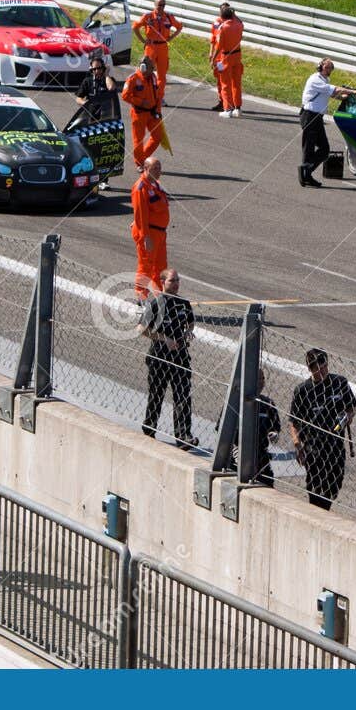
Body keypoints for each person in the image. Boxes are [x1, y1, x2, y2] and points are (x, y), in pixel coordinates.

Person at [288, 349, 356, 511]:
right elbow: (294, 423)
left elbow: (351, 408)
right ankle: (317, 510)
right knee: (315, 486)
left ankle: (323, 508)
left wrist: (346, 417)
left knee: (334, 484)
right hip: (313, 447)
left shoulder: (339, 383)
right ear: (310, 369)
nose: (322, 372)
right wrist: (298, 446)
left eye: (324, 367)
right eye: (316, 369)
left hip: (335, 445)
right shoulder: (303, 391)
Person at [139, 268, 195, 450]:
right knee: (157, 394)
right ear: (163, 282)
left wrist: (188, 332)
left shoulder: (184, 303)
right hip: (159, 356)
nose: (176, 284)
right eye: (172, 281)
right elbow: (141, 329)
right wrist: (165, 339)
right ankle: (149, 428)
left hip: (180, 356)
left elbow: (191, 322)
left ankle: (184, 436)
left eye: (178, 280)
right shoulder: (156, 302)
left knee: (183, 396)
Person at [297, 58, 356, 188]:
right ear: (320, 67)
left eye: (331, 68)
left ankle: (306, 171)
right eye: (327, 67)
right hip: (309, 116)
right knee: (309, 148)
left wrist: (344, 97)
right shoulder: (315, 79)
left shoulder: (325, 80)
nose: (329, 70)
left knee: (324, 149)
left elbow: (331, 94)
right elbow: (334, 89)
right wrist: (352, 91)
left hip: (317, 117)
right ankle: (305, 173)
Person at [130, 156, 169, 300]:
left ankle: (160, 298)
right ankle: (141, 299)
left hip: (159, 233)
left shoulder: (156, 185)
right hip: (149, 234)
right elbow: (140, 213)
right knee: (145, 266)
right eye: (155, 168)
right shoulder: (141, 187)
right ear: (145, 169)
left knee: (160, 267)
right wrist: (145, 236)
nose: (159, 171)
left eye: (159, 168)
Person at [120, 55, 165, 169]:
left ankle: (143, 158)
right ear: (143, 67)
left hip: (152, 113)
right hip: (138, 114)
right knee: (138, 141)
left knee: (158, 136)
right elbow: (125, 95)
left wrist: (158, 111)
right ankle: (140, 163)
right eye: (151, 67)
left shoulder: (153, 77)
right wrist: (140, 102)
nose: (153, 69)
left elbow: (157, 95)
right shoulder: (133, 79)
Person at [133, 0, 182, 85]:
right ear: (155, 5)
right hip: (151, 47)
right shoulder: (148, 16)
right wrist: (143, 40)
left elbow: (179, 27)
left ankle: (158, 96)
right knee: (146, 71)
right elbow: (135, 27)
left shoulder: (169, 17)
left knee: (162, 74)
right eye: (160, 5)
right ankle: (146, 93)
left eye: (164, 5)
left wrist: (171, 38)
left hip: (163, 47)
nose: (162, 7)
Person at [210, 3, 244, 117]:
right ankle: (237, 108)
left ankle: (227, 109)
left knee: (225, 84)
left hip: (226, 57)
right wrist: (233, 13)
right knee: (236, 83)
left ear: (223, 17)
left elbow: (218, 46)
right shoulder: (239, 24)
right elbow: (240, 21)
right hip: (237, 56)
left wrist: (213, 58)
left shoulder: (223, 27)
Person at [74, 50, 121, 123]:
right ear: (91, 70)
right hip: (90, 116)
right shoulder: (87, 81)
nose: (97, 71)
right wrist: (86, 103)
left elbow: (111, 88)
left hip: (106, 116)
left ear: (103, 68)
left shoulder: (109, 80)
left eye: (99, 68)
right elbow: (78, 98)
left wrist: (106, 74)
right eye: (94, 69)